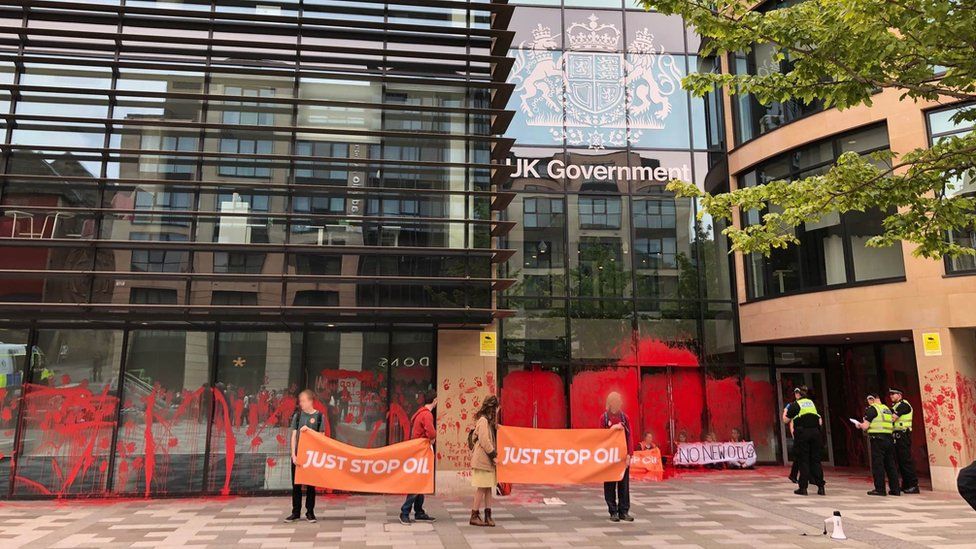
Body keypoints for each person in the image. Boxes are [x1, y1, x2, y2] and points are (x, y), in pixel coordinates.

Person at [286, 389, 324, 523]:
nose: (300, 403)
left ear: (310, 401)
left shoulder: (319, 416)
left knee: (310, 485)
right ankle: (295, 512)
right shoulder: (298, 416)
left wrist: (309, 431)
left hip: (311, 456)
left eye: (303, 400)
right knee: (296, 485)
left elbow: (322, 436)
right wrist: (293, 454)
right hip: (298, 456)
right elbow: (294, 436)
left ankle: (310, 512)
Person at [399, 389, 437, 524]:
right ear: (435, 400)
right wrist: (433, 438)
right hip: (420, 452)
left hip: (416, 450)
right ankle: (405, 511)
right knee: (416, 482)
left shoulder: (419, 413)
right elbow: (431, 432)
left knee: (420, 481)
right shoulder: (427, 415)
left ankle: (419, 511)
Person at [783, 386, 826, 496]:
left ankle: (803, 488)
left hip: (803, 434)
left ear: (797, 394)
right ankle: (821, 487)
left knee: (804, 460)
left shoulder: (795, 405)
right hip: (816, 433)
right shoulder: (811, 403)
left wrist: (785, 411)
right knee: (816, 460)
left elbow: (785, 420)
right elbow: (820, 421)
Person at [858, 393, 900, 496]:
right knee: (890, 465)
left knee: (878, 465)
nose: (868, 403)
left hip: (877, 440)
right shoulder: (887, 409)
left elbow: (865, 426)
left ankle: (880, 489)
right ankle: (895, 489)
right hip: (889, 439)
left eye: (869, 400)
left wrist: (859, 425)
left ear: (871, 399)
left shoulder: (872, 409)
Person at [601, 391, 634, 522]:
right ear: (610, 403)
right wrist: (613, 428)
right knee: (609, 485)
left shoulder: (625, 417)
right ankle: (613, 511)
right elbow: (600, 437)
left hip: (622, 457)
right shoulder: (603, 418)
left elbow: (629, 437)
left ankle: (624, 511)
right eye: (616, 401)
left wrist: (629, 455)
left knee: (624, 485)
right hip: (609, 458)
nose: (618, 403)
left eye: (619, 401)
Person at [469, 395, 499, 527]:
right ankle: (474, 515)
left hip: (486, 461)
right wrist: (493, 455)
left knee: (487, 489)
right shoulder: (483, 421)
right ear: (491, 408)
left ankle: (488, 515)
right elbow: (484, 440)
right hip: (483, 460)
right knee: (481, 488)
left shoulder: (487, 421)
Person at [889, 388, 920, 494]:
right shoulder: (895, 406)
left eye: (893, 394)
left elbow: (893, 418)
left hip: (903, 435)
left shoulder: (904, 405)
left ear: (900, 395)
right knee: (901, 461)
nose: (891, 396)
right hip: (897, 436)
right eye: (890, 394)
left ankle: (913, 485)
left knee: (906, 461)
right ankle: (906, 484)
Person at [784, 404, 800, 483]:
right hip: (798, 435)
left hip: (802, 434)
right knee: (798, 457)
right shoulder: (792, 406)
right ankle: (793, 475)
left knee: (799, 457)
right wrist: (794, 435)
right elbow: (790, 422)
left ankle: (793, 475)